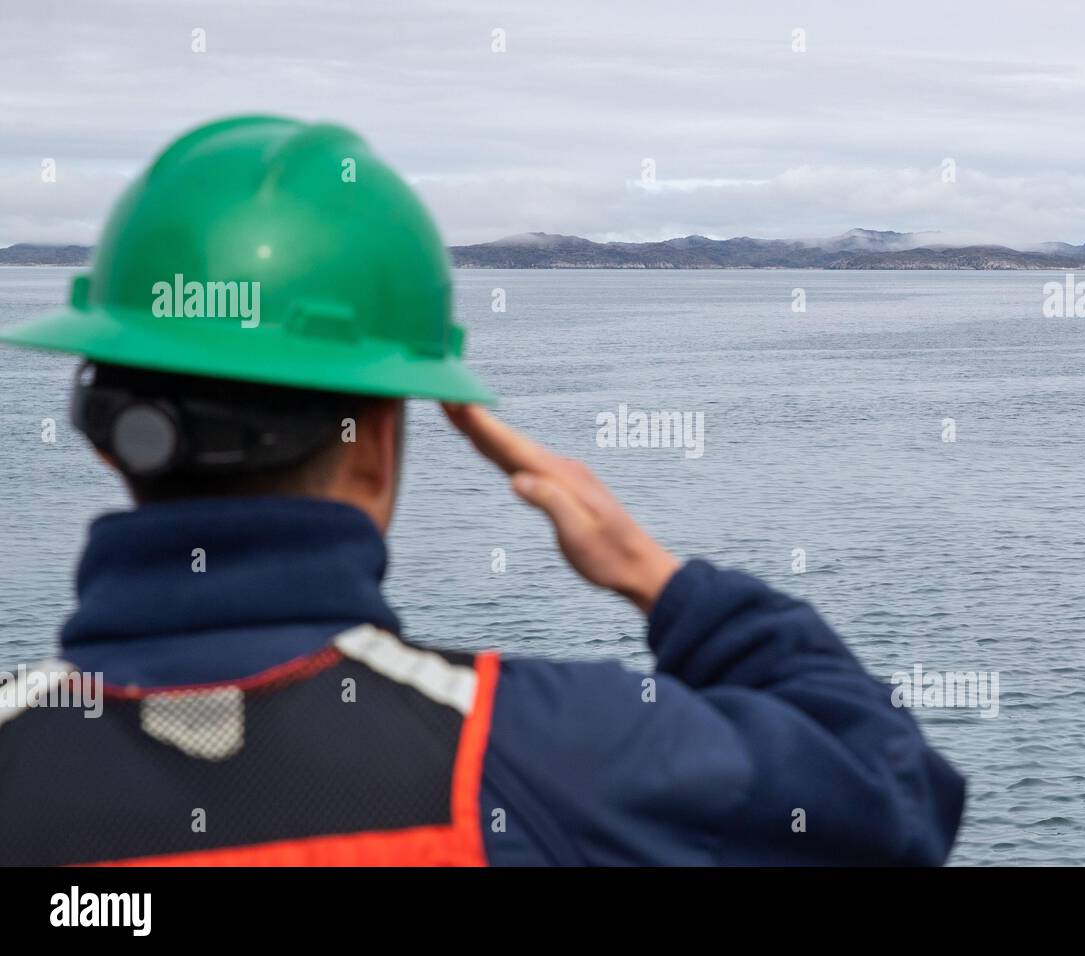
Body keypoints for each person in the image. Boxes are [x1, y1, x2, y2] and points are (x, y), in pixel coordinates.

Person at [0, 116, 964, 866]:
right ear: (378, 440)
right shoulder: (534, 757)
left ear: (110, 443)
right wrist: (656, 578)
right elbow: (891, 793)